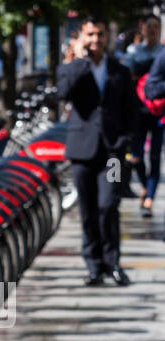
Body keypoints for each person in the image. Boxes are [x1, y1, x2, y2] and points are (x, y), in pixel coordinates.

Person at [58, 16, 136, 287]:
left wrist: (126, 141)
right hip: (82, 151)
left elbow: (131, 109)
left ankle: (112, 262)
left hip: (112, 154)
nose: (96, 40)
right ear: (81, 37)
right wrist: (80, 61)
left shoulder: (119, 71)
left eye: (100, 34)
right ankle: (93, 266)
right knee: (88, 210)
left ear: (107, 37)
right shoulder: (71, 68)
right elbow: (63, 93)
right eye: (90, 35)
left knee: (109, 205)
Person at [127, 16, 163, 215]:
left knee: (156, 156)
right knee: (136, 156)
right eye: (149, 26)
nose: (152, 30)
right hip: (139, 110)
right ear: (143, 28)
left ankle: (149, 197)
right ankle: (145, 187)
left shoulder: (163, 52)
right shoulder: (134, 53)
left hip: (159, 111)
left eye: (156, 27)